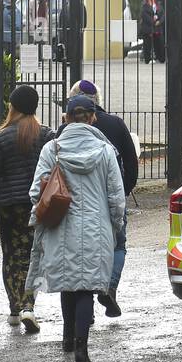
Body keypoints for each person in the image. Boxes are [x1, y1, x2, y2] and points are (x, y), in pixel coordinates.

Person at [27, 94, 126, 362]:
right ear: (93, 118)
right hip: (96, 227)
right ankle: (82, 349)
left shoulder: (52, 149)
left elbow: (35, 191)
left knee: (68, 282)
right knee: (86, 287)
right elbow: (116, 197)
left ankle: (67, 338)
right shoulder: (105, 151)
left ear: (67, 118)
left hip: (60, 225)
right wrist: (115, 225)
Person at [0, 85, 54, 334]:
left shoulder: (2, 136)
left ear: (13, 107)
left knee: (11, 256)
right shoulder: (47, 135)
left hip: (7, 205)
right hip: (36, 204)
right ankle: (29, 305)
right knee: (33, 255)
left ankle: (15, 309)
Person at [68, 79, 139, 318]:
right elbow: (131, 162)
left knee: (83, 252)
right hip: (111, 197)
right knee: (117, 244)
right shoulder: (116, 124)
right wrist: (124, 190)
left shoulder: (66, 130)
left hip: (79, 202)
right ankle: (109, 285)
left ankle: (84, 312)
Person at [140, 0, 165, 64]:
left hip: (158, 28)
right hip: (148, 28)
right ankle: (148, 59)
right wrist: (153, 22)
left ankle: (161, 58)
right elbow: (144, 16)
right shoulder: (144, 5)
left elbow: (163, 14)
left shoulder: (159, 4)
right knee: (147, 44)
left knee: (159, 43)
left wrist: (159, 22)